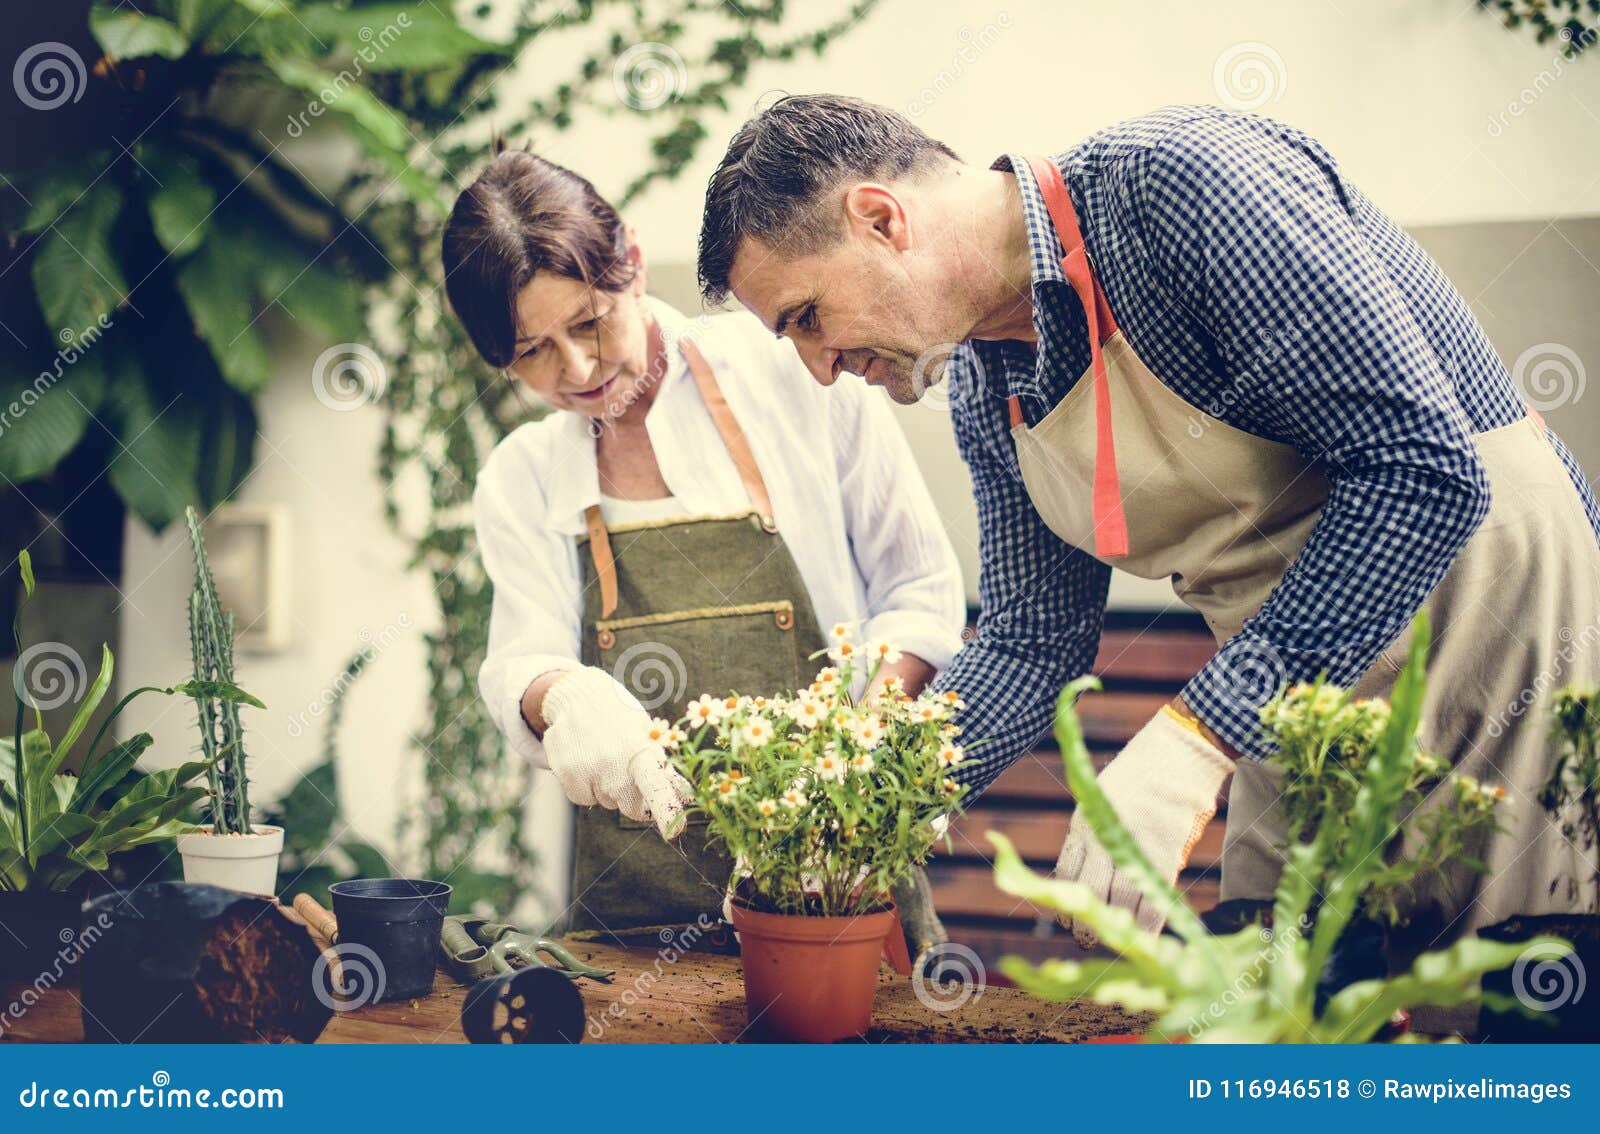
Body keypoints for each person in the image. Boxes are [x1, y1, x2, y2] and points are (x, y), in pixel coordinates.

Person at [694, 95, 1600, 963]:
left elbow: (1421, 472)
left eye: (808, 318)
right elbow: (1027, 640)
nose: (819, 369)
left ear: (881, 219)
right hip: (1294, 690)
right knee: (1282, 999)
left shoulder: (1184, 188)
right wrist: (860, 802)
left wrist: (1196, 734)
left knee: (1503, 1004)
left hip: (1494, 624)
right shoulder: (982, 384)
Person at [443, 147, 965, 949]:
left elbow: (921, 592)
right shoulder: (523, 478)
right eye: (532, 352)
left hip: (839, 892)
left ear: (635, 268)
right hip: (636, 924)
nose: (577, 368)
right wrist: (563, 697)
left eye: (589, 322)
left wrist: (845, 771)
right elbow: (520, 661)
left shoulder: (793, 364)